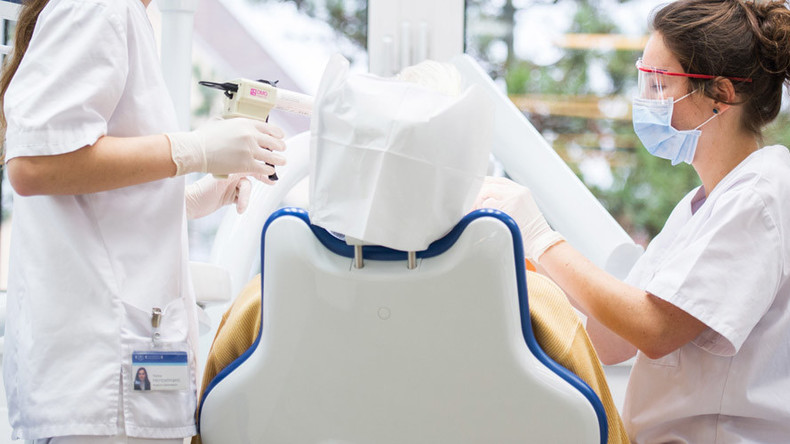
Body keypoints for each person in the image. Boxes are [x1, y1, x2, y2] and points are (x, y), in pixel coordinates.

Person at [475, 0, 790, 442]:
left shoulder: (763, 192)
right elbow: (612, 341)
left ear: (721, 93)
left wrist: (541, 237)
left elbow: (655, 330)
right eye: (646, 79)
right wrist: (532, 266)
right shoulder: (697, 208)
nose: (646, 101)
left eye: (661, 84)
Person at [0, 0, 287, 442]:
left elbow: (95, 192)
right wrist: (195, 149)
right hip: (98, 385)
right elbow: (35, 165)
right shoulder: (99, 6)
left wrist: (193, 197)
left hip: (115, 383)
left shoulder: (124, 14)